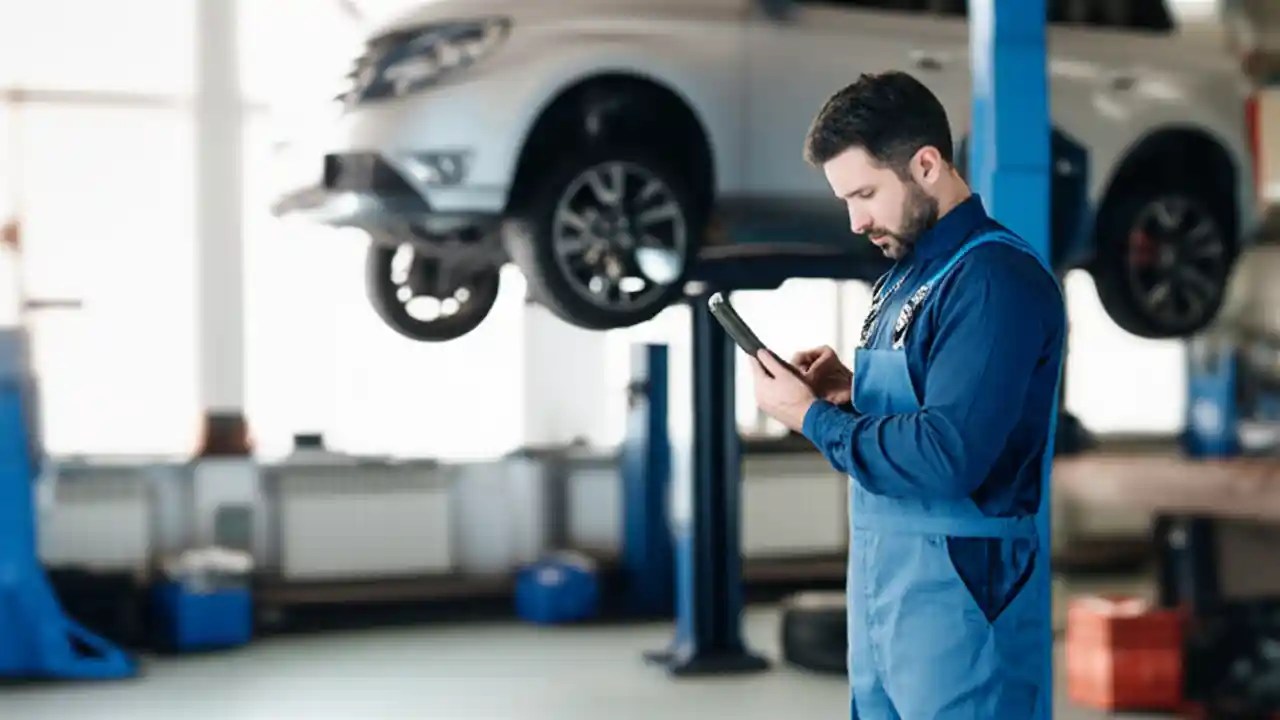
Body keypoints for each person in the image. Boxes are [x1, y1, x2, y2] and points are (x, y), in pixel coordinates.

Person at [750, 71, 1067, 718]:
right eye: (845, 200)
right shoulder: (905, 277)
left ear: (926, 165)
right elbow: (923, 407)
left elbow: (949, 455)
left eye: (864, 193)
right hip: (886, 585)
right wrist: (848, 392)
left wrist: (811, 419)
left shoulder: (992, 280)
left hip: (967, 597)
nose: (856, 220)